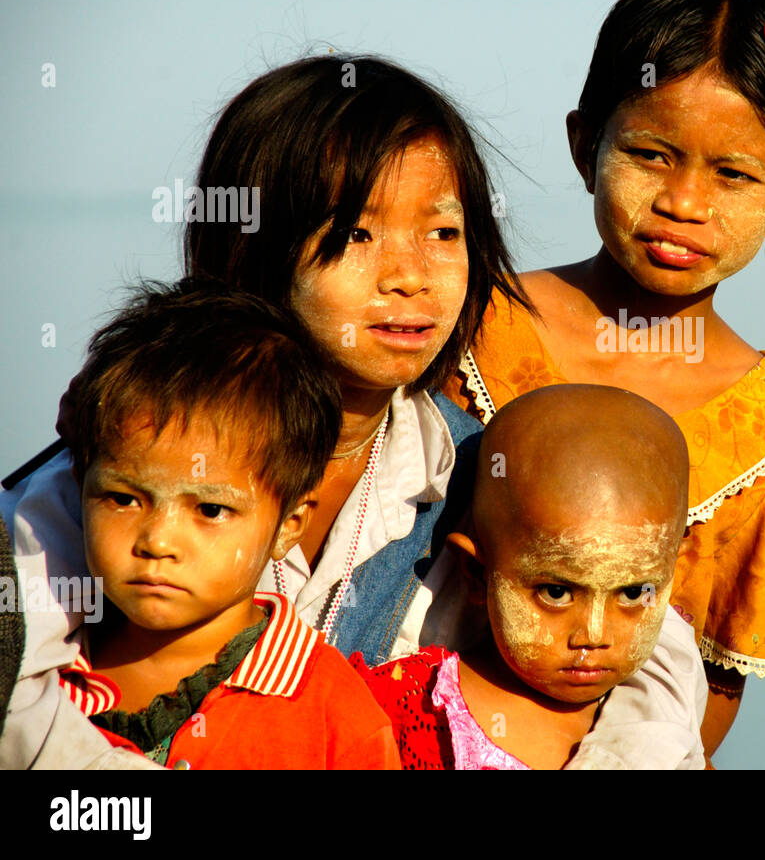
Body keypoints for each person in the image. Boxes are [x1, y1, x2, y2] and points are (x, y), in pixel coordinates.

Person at [0, 55, 705, 769]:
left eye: (443, 234)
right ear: (254, 249)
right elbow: (14, 675)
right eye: (357, 236)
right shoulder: (127, 464)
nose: (409, 277)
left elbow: (653, 665)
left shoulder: (475, 472)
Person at [439, 0, 765, 754]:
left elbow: (702, 707)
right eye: (650, 155)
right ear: (584, 145)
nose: (684, 203)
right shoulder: (466, 328)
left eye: (734, 174)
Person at [54, 281, 399, 768]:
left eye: (210, 510)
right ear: (79, 482)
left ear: (290, 524)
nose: (158, 541)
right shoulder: (37, 665)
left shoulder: (332, 721)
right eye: (123, 498)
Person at [355, 384, 694, 769]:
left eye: (633, 593)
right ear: (477, 574)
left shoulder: (664, 732)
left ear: (673, 573)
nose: (594, 635)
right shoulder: (404, 710)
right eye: (556, 592)